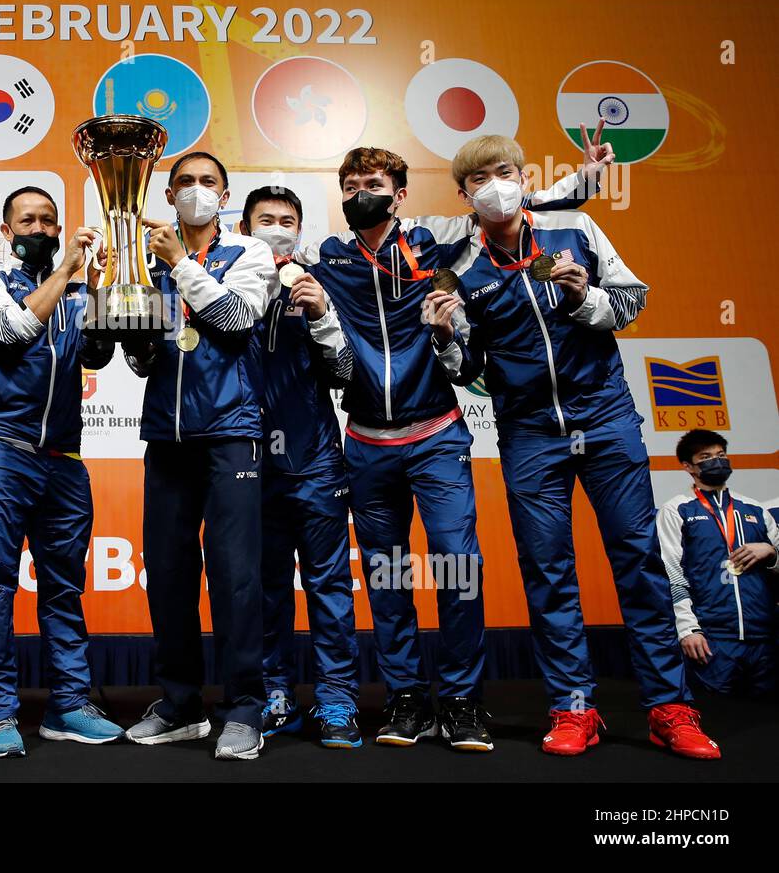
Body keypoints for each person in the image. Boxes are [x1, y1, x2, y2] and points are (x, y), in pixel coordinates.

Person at [302, 141, 607, 752]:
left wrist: (587, 179)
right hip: (366, 442)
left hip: (436, 438)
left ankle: (463, 700)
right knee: (388, 578)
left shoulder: (436, 240)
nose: (364, 191)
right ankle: (407, 698)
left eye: (377, 182)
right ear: (341, 193)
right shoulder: (326, 255)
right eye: (353, 182)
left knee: (457, 569)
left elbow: (511, 206)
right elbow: (266, 249)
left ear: (400, 192)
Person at [429, 132, 721, 759]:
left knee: (638, 560)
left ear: (523, 176)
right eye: (479, 180)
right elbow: (467, 368)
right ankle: (574, 709)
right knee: (548, 570)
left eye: (504, 172)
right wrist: (448, 336)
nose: (495, 186)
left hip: (606, 415)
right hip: (529, 431)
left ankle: (671, 708)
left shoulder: (575, 230)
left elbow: (632, 300)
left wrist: (584, 296)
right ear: (463, 195)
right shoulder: (462, 266)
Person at [121, 151, 278, 761]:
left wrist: (180, 264)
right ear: (166, 192)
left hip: (230, 431)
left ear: (225, 193)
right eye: (184, 182)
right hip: (166, 434)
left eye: (206, 182)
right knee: (166, 574)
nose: (195, 191)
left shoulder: (249, 254)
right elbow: (144, 360)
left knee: (237, 576)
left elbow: (234, 322)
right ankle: (182, 704)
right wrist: (129, 332)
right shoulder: (144, 260)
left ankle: (243, 708)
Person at [0, 186, 123, 758]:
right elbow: (11, 332)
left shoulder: (76, 294)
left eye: (49, 221)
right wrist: (67, 276)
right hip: (0, 451)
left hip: (63, 461)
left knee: (64, 589)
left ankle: (69, 705)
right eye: (27, 220)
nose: (40, 228)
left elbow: (99, 354)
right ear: (6, 231)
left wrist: (97, 286)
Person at [239, 185, 361, 748]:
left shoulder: (321, 280)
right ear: (243, 226)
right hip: (248, 462)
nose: (278, 228)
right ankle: (275, 693)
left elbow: (345, 372)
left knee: (329, 586)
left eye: (288, 220)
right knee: (264, 589)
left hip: (314, 464)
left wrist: (322, 316)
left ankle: (337, 701)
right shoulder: (226, 281)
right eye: (266, 219)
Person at [657, 430, 779, 697]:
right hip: (711, 638)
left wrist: (771, 552)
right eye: (706, 457)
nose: (717, 461)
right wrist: (688, 629)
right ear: (688, 466)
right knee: (722, 722)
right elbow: (671, 574)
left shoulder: (756, 509)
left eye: (721, 455)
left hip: (765, 637)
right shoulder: (678, 509)